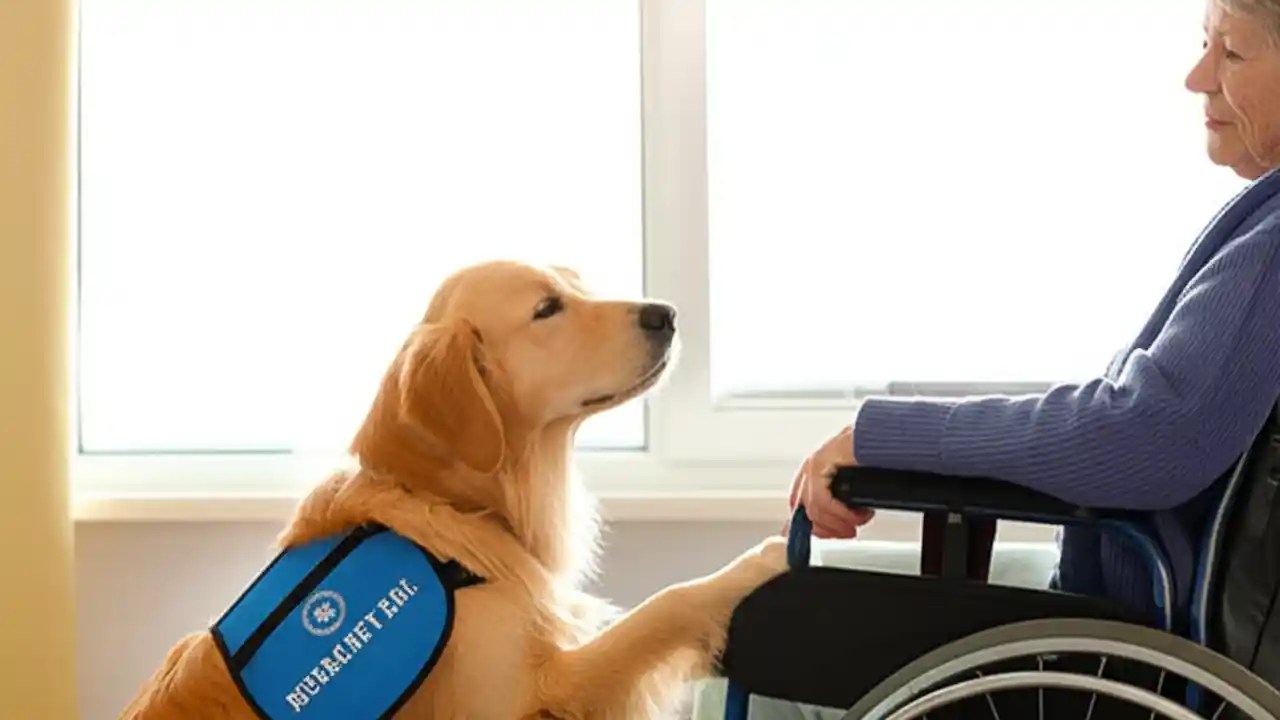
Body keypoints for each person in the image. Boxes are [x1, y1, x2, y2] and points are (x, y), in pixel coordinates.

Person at [789, 0, 1280, 623]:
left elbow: (1144, 437)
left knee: (761, 613)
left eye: (1231, 52)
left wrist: (883, 437)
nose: (1197, 76)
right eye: (1203, 44)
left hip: (1127, 639)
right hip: (1114, 593)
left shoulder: (1271, 252)